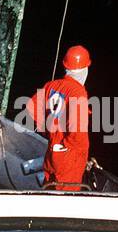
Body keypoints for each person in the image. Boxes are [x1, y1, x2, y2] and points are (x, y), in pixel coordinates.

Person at [28, 45, 91, 190]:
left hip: (52, 151)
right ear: (84, 70)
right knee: (66, 197)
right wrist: (78, 150)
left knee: (48, 186)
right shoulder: (78, 92)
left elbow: (31, 107)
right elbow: (77, 131)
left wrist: (48, 131)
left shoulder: (52, 85)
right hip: (69, 158)